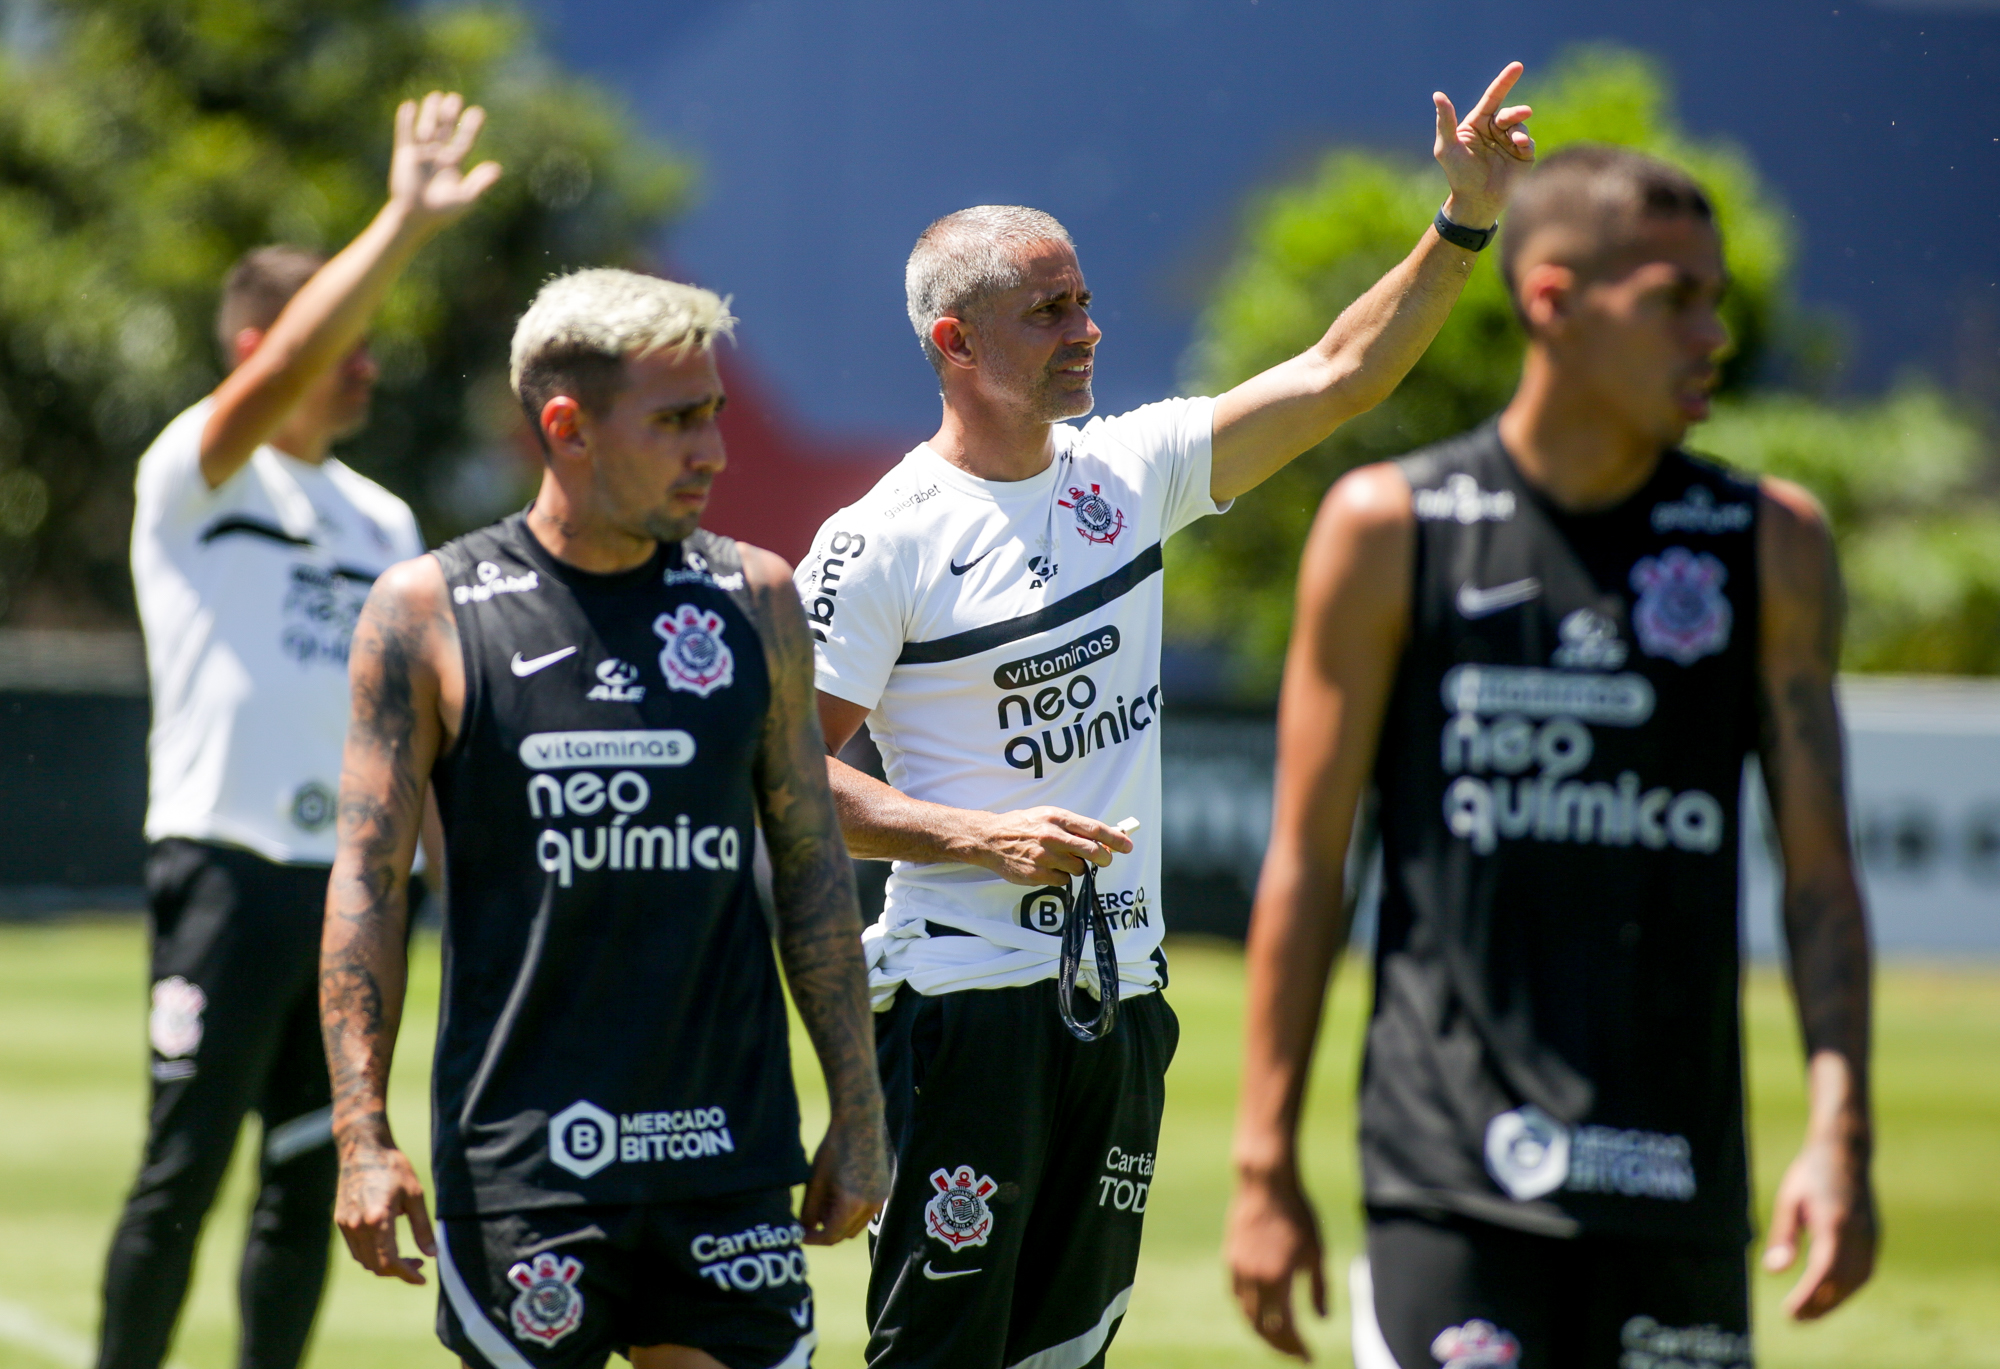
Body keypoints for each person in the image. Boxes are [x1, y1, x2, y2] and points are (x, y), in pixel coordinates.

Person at [795, 65, 1536, 1369]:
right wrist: (981, 838)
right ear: (953, 344)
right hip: (963, 1005)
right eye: (1047, 312)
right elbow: (790, 784)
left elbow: (1341, 373)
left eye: (1083, 301)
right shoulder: (878, 543)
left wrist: (1463, 223)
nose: (1086, 330)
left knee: (1069, 1350)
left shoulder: (1128, 472)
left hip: (1121, 996)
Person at [1224, 144, 1878, 1367]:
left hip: (1674, 1173)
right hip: (1446, 1178)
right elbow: (1307, 866)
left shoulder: (1767, 543)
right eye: (1671, 298)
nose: (1710, 334)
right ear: (1551, 303)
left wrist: (1840, 1130)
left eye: (1715, 299)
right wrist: (1263, 1160)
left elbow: (1817, 877)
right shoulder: (1388, 528)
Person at [319, 268, 890, 1369]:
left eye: (714, 415)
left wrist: (857, 1118)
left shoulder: (756, 599)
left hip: (726, 1153)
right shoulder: (426, 611)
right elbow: (366, 881)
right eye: (676, 420)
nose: (712, 453)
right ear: (565, 427)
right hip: (526, 1165)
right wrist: (362, 1134)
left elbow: (813, 868)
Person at [106, 92, 499, 1369]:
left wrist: (454, 872)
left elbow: (416, 721)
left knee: (307, 1175)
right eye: (350, 339)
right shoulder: (195, 470)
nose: (370, 363)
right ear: (272, 341)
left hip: (350, 889)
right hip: (222, 868)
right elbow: (273, 378)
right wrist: (401, 220)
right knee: (182, 1174)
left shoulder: (381, 518)